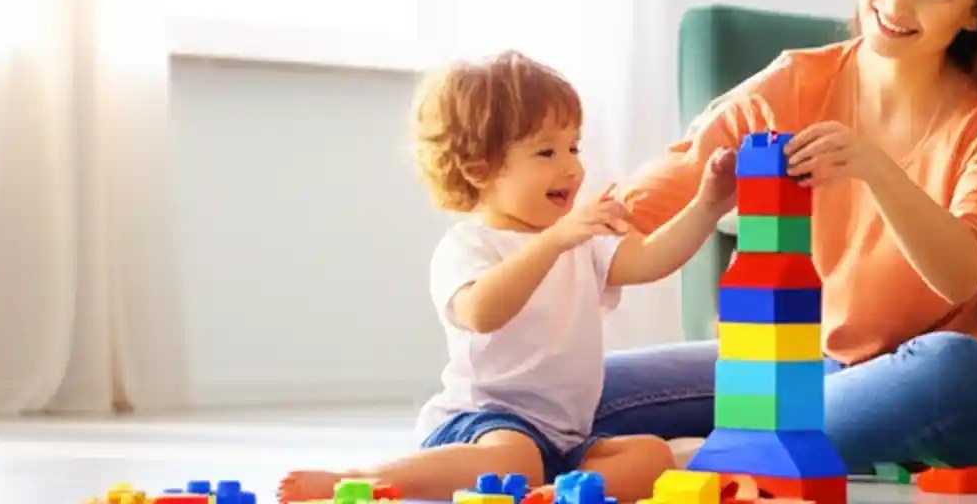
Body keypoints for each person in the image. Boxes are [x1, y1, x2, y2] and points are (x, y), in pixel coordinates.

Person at [595, 0, 977, 473]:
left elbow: (959, 270)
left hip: (913, 382)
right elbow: (679, 172)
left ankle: (706, 457)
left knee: (962, 375)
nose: (896, 2)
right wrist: (561, 232)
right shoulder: (797, 81)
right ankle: (731, 449)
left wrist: (872, 166)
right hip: (796, 363)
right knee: (580, 389)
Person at [280, 51, 738, 503]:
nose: (573, 167)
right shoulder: (470, 245)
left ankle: (546, 497)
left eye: (574, 147)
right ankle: (363, 478)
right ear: (480, 167)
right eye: (547, 151)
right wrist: (555, 240)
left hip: (565, 436)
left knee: (649, 456)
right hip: (483, 424)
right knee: (515, 459)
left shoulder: (579, 239)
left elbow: (653, 259)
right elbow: (482, 312)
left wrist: (707, 206)